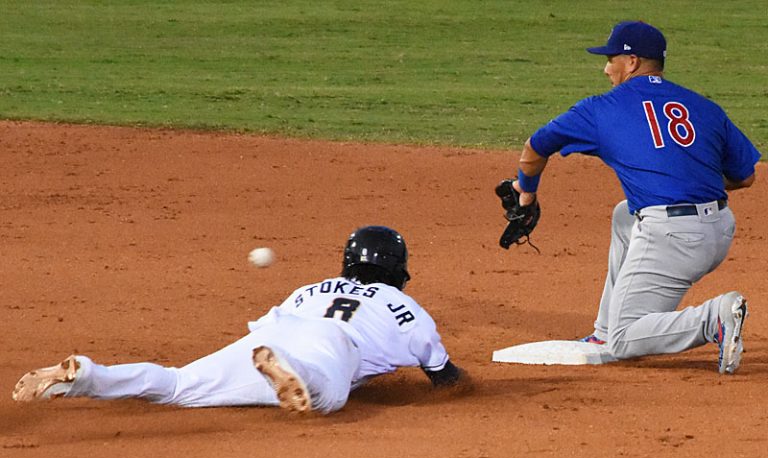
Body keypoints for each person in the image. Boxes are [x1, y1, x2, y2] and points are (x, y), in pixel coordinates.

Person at [500, 21, 760, 374]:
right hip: (719, 228)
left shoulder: (600, 109)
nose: (606, 69)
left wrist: (525, 192)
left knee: (625, 340)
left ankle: (712, 318)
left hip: (674, 238)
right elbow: (746, 177)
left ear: (632, 61)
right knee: (625, 215)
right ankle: (602, 332)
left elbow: (536, 147)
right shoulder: (703, 106)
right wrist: (688, 178)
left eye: (611, 59)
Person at [13, 225, 465, 413]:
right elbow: (444, 378)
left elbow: (274, 321)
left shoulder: (312, 287)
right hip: (332, 345)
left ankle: (88, 375)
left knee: (176, 386)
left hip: (274, 335)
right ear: (396, 268)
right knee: (327, 396)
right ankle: (294, 374)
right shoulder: (406, 308)